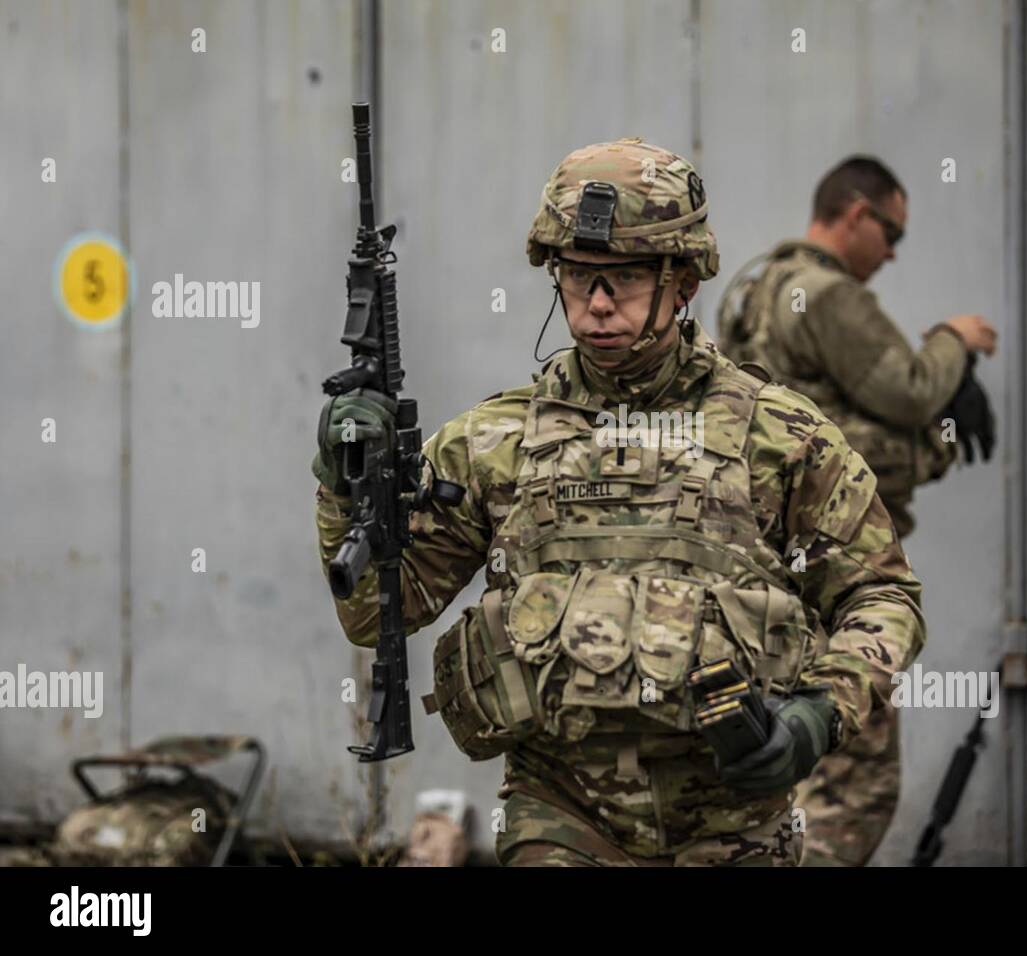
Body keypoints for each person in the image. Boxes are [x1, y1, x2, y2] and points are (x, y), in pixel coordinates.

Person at [312, 138, 929, 866]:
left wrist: (820, 714)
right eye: (579, 277)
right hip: (560, 813)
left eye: (626, 278)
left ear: (684, 282)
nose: (598, 304)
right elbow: (377, 611)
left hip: (732, 822)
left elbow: (883, 598)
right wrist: (346, 484)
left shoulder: (778, 435)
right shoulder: (495, 442)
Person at [717, 156, 996, 866]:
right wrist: (953, 343)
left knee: (772, 767)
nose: (895, 251)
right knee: (856, 780)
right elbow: (906, 391)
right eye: (891, 231)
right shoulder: (827, 295)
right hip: (831, 565)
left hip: (755, 563)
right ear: (856, 215)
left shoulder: (752, 289)